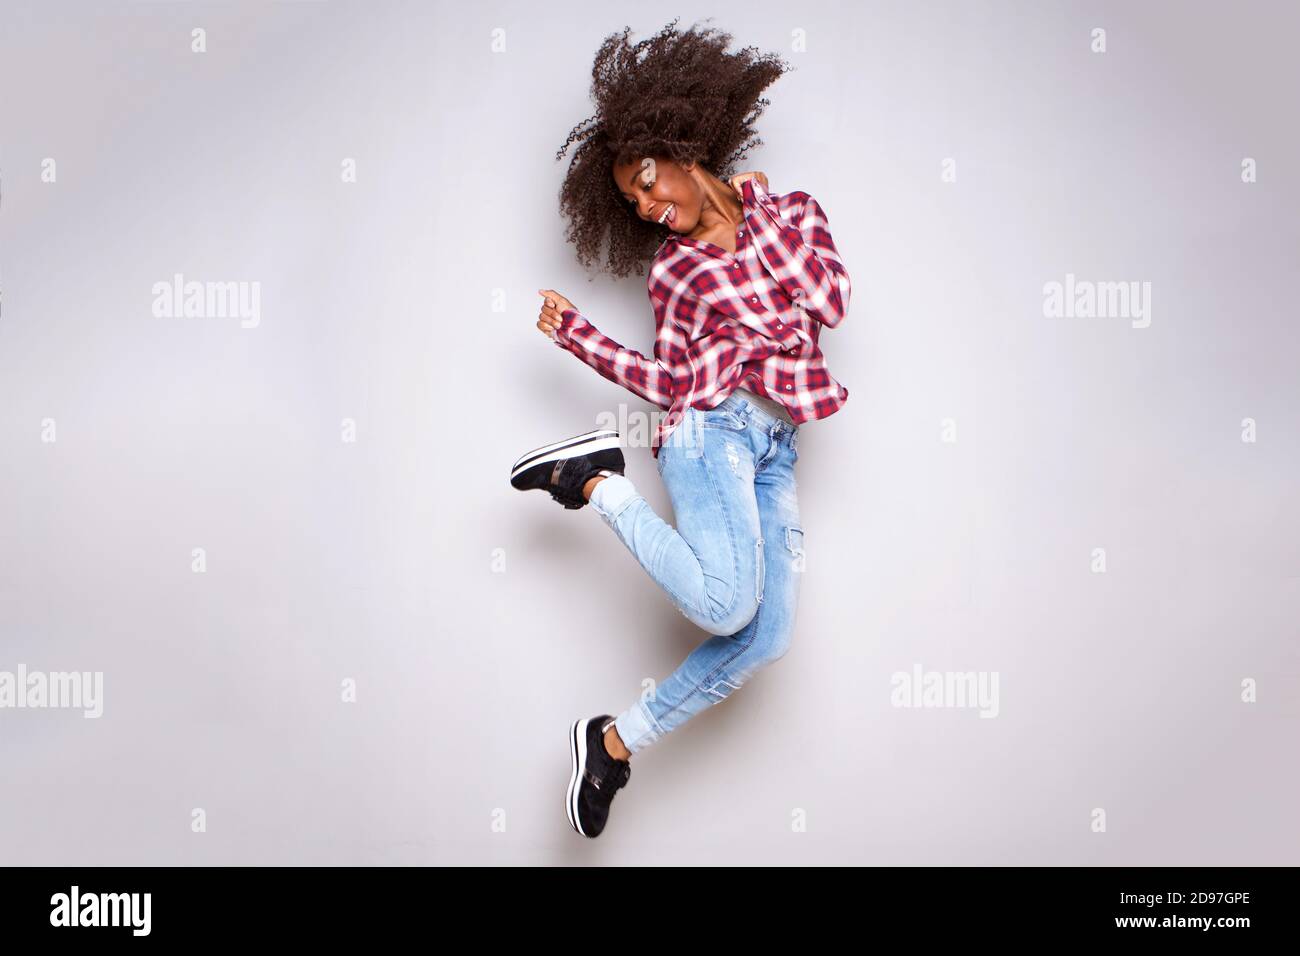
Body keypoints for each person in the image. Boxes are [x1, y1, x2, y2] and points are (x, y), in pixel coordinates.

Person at [509, 18, 852, 838]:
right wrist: (578, 337)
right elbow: (670, 379)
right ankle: (596, 479)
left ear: (689, 146)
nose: (651, 206)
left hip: (775, 447)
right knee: (728, 609)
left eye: (652, 180)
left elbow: (829, 303)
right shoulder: (674, 269)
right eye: (633, 201)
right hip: (709, 432)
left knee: (765, 640)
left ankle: (614, 743)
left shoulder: (792, 211)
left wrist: (758, 213)